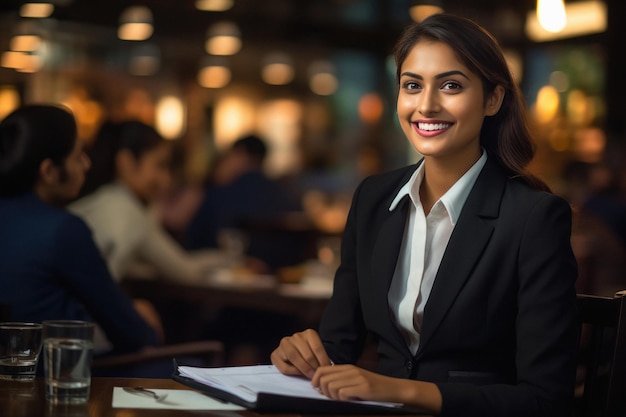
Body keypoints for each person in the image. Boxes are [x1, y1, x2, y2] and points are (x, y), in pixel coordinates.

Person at [271, 14, 578, 417]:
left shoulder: (534, 218)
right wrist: (303, 355)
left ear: (493, 99)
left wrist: (400, 390)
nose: (426, 105)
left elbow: (545, 398)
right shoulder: (373, 199)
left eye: (451, 85)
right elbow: (337, 346)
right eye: (412, 85)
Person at [0, 104, 160, 355]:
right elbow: (130, 333)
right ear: (49, 172)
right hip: (47, 382)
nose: (86, 165)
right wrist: (147, 328)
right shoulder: (63, 230)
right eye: (77, 157)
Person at [69, 120, 220, 283]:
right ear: (126, 162)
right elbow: (184, 271)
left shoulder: (105, 201)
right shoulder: (126, 210)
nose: (166, 179)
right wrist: (229, 259)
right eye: (160, 165)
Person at [185, 135, 304, 271]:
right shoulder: (288, 195)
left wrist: (213, 181)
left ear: (240, 153)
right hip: (281, 281)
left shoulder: (221, 193)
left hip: (225, 281)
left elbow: (193, 243)